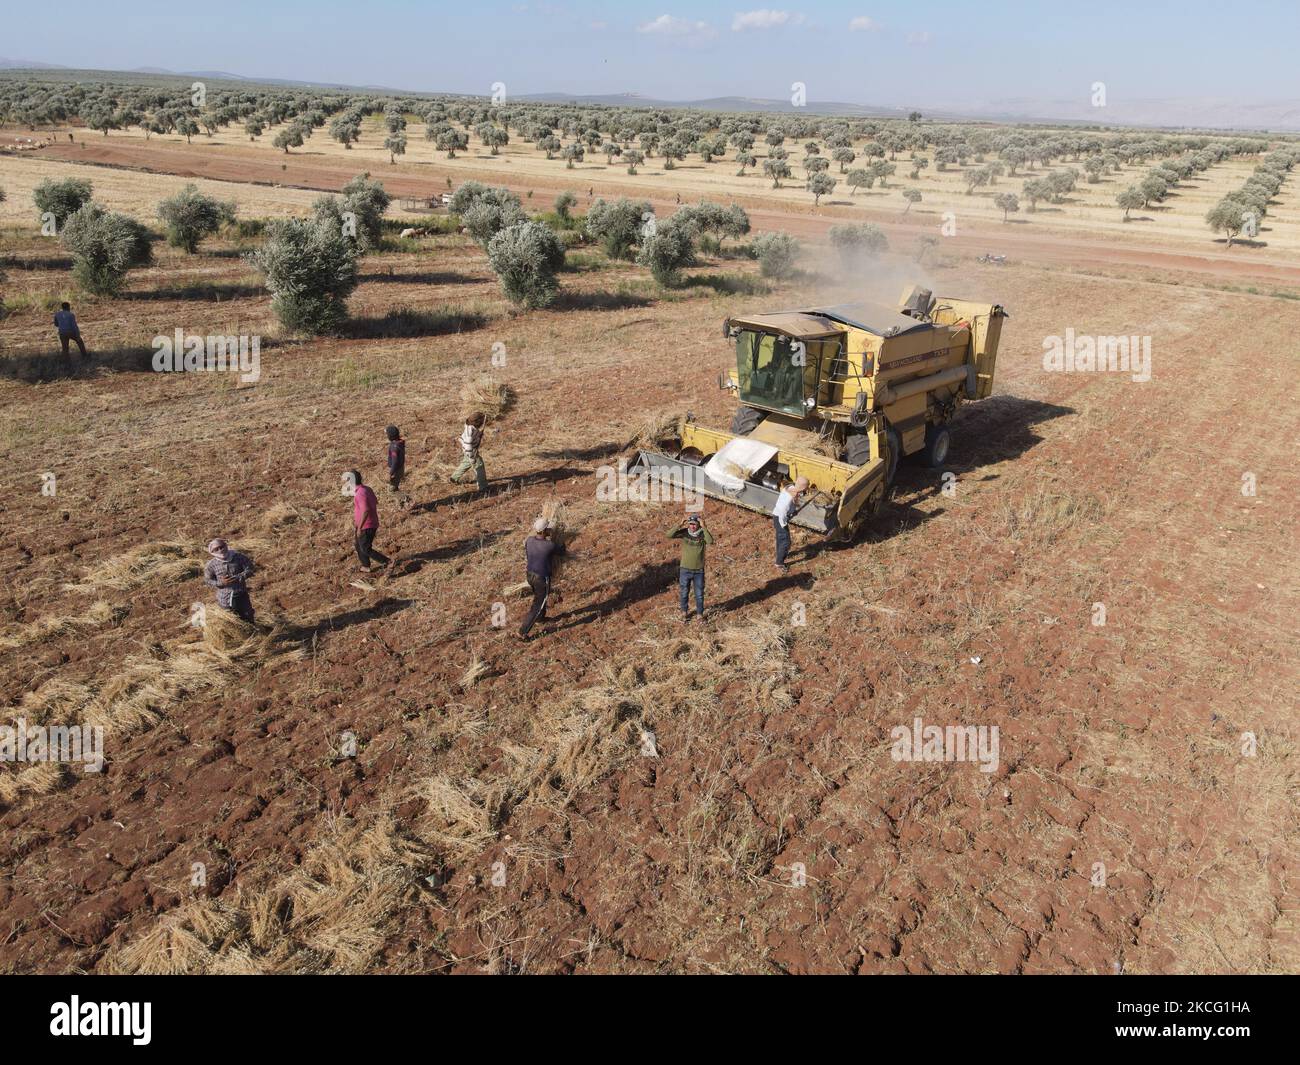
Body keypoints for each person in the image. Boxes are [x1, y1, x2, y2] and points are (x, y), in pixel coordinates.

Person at [518, 518, 564, 639]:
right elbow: (562, 551)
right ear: (544, 531)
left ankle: (541, 618)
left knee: (539, 596)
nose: (550, 529)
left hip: (530, 576)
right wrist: (560, 538)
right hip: (541, 578)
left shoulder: (529, 540)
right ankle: (522, 632)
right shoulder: (549, 545)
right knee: (538, 604)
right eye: (548, 528)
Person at [668, 512, 713, 622]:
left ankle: (699, 615)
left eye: (695, 524)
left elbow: (710, 541)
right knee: (684, 592)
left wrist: (705, 527)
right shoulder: (684, 533)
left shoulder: (702, 534)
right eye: (690, 524)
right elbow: (669, 535)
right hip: (685, 569)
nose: (692, 526)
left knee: (699, 594)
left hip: (699, 571)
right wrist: (679, 524)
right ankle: (684, 612)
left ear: (698, 524)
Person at [204, 538, 255, 622]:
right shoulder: (211, 565)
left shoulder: (238, 557)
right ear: (212, 552)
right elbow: (207, 580)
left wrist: (238, 577)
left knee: (248, 616)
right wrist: (220, 583)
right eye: (216, 549)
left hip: (241, 593)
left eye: (222, 547)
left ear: (226, 546)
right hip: (224, 598)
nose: (220, 550)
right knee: (231, 620)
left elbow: (250, 569)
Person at [350, 470, 390, 572]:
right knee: (358, 545)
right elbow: (375, 502)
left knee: (365, 548)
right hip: (367, 523)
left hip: (366, 525)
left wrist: (360, 527)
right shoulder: (367, 489)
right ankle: (366, 566)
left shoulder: (360, 493)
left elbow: (366, 510)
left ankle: (387, 562)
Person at [772, 476, 808, 573]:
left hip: (776, 515)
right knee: (785, 541)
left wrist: (793, 511)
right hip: (780, 518)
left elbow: (793, 500)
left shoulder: (790, 487)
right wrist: (784, 522)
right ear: (802, 488)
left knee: (780, 538)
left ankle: (780, 554)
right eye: (805, 489)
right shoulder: (788, 498)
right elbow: (783, 510)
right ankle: (779, 563)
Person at [450, 412, 489, 493]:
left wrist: (479, 434)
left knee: (466, 463)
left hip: (470, 450)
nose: (483, 423)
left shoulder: (472, 427)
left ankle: (454, 478)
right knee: (479, 465)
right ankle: (483, 487)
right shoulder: (469, 434)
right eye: (482, 422)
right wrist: (472, 457)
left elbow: (475, 433)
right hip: (470, 451)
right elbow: (468, 447)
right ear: (478, 423)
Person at [385, 424, 406, 493]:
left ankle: (405, 500)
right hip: (400, 468)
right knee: (395, 487)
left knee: (392, 490)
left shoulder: (394, 447)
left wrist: (391, 473)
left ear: (390, 436)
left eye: (387, 434)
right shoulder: (399, 443)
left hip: (396, 471)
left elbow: (395, 462)